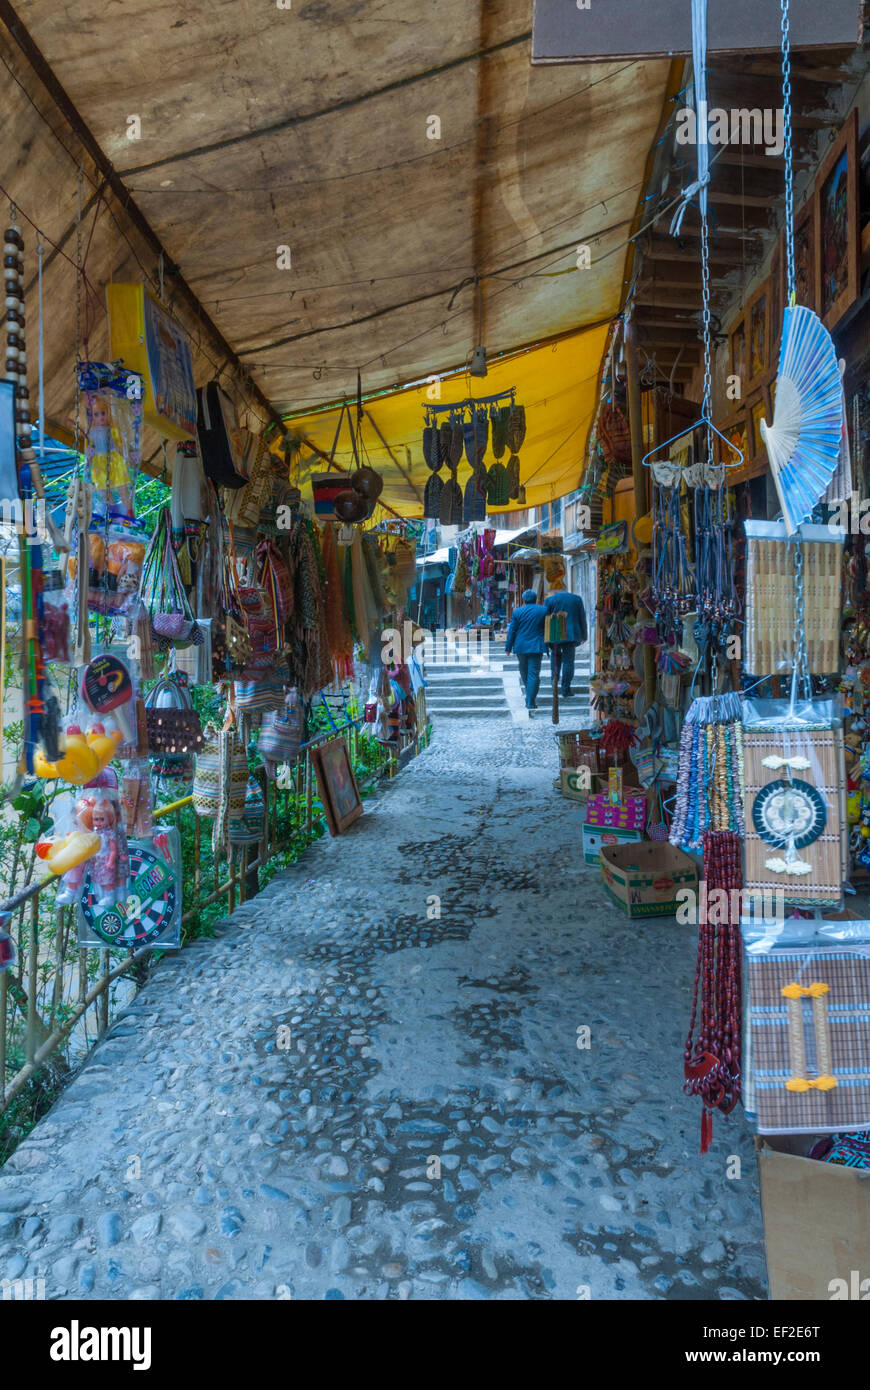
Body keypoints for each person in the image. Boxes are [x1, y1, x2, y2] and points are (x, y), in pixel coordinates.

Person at [504, 589, 547, 711]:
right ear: (536, 598)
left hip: (521, 647)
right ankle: (530, 700)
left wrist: (508, 647)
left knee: (525, 673)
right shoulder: (543, 610)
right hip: (536, 646)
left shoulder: (517, 612)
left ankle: (530, 698)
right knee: (533, 674)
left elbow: (512, 630)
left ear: (523, 600)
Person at [544, 582, 588, 698]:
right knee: (568, 661)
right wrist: (584, 635)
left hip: (555, 634)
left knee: (555, 658)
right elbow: (582, 617)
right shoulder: (576, 599)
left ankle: (554, 682)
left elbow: (546, 619)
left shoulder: (549, 600)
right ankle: (566, 688)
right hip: (571, 634)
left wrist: (546, 637)